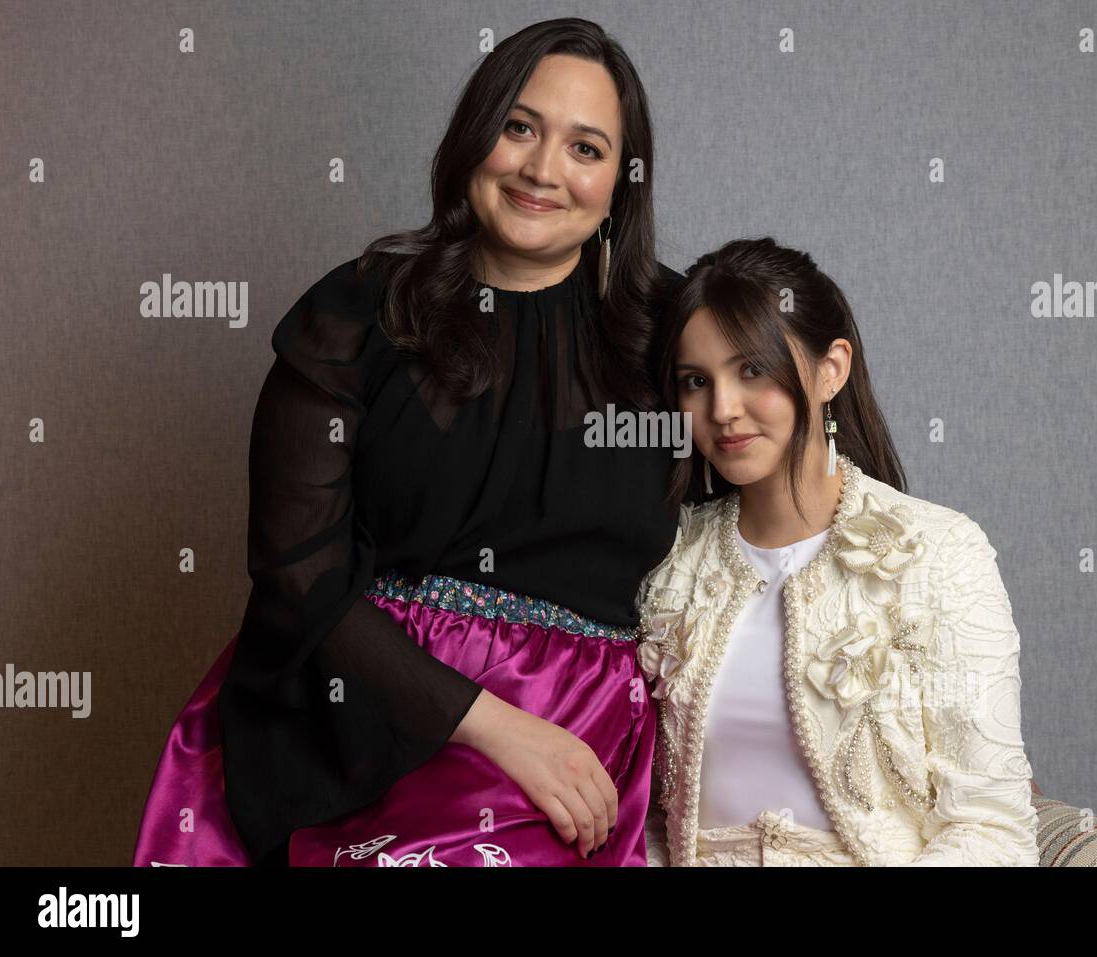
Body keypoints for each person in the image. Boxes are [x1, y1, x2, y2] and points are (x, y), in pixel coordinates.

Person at [134, 18, 684, 868]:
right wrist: (504, 732)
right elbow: (297, 574)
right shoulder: (357, 312)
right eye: (520, 127)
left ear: (622, 182)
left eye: (586, 148)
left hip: (584, 728)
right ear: (476, 135)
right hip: (359, 713)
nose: (543, 170)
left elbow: (790, 483)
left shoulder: (674, 336)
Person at [637, 237, 1041, 866]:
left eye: (752, 370)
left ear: (831, 369)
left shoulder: (938, 552)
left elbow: (991, 829)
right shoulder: (669, 559)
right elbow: (651, 824)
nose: (722, 410)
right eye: (696, 381)